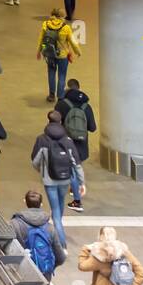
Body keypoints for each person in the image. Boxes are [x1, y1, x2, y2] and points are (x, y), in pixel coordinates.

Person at [30, 110, 84, 249]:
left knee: (55, 212)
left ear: (48, 121)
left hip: (49, 180)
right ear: (61, 122)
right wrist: (81, 181)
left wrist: (43, 171)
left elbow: (35, 161)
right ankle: (58, 227)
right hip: (65, 179)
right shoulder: (67, 140)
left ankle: (61, 244)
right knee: (59, 207)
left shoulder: (42, 139)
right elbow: (76, 163)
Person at [12, 190, 66, 284]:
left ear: (25, 201)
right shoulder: (50, 228)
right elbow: (61, 257)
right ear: (41, 204)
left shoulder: (15, 224)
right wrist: (48, 265)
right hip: (44, 274)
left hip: (21, 272)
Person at [58, 78, 97, 211]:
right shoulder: (87, 107)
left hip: (66, 143)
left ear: (67, 89)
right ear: (79, 88)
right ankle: (75, 189)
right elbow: (92, 128)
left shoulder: (62, 104)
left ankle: (77, 201)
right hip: (81, 144)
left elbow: (55, 122)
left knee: (72, 172)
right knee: (76, 168)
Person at [36, 8, 80, 103]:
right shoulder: (65, 27)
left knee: (51, 73)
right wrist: (77, 51)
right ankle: (60, 96)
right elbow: (72, 41)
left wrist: (39, 51)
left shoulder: (46, 25)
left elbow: (41, 39)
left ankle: (51, 95)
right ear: (62, 16)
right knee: (62, 75)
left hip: (50, 54)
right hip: (62, 56)